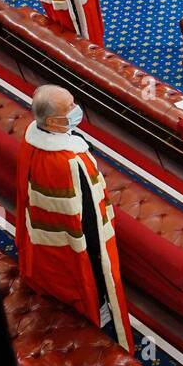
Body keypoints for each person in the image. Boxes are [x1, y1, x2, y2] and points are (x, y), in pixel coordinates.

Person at [15, 85, 132, 351]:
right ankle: (98, 306)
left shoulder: (31, 139)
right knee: (85, 272)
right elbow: (91, 227)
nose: (75, 108)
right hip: (76, 248)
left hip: (45, 240)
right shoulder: (69, 162)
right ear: (55, 121)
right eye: (70, 106)